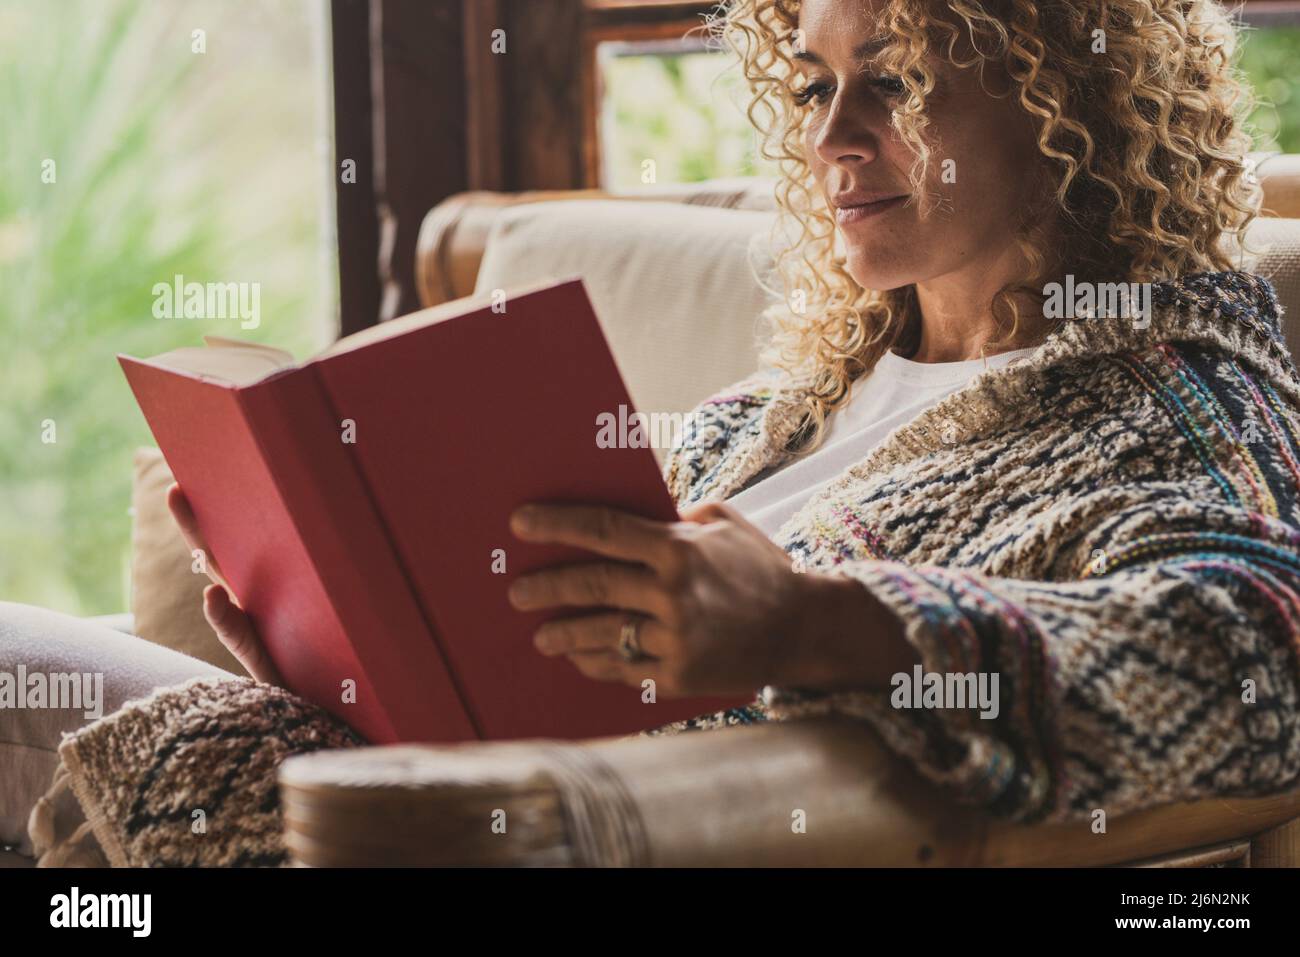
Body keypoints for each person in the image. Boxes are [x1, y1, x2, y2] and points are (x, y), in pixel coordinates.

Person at [4, 0, 1298, 864]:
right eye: (811, 86)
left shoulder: (1176, 401)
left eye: (892, 84)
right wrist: (334, 640)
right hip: (402, 772)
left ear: (1068, 88)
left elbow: (1257, 667)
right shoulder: (781, 413)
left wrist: (812, 622)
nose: (832, 138)